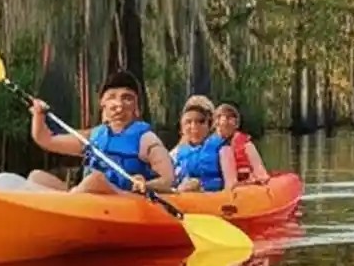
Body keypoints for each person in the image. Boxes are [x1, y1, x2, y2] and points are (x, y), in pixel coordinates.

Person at [26, 71, 175, 195]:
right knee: (36, 177)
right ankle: (67, 204)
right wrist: (38, 116)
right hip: (87, 197)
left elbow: (167, 180)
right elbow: (46, 140)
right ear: (103, 104)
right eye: (112, 97)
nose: (119, 105)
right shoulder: (93, 136)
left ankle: (70, 201)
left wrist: (146, 185)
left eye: (127, 98)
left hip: (125, 199)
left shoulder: (146, 139)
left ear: (136, 107)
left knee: (95, 180)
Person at [169, 102, 235, 192]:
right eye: (188, 122)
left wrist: (201, 186)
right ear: (181, 129)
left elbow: (231, 185)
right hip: (182, 196)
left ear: (209, 126)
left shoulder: (222, 148)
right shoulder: (176, 154)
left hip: (212, 196)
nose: (194, 126)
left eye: (200, 122)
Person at [214, 103, 270, 184]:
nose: (225, 122)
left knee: (226, 151)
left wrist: (257, 179)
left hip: (243, 183)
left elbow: (261, 174)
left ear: (236, 125)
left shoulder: (247, 145)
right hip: (217, 185)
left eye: (229, 119)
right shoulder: (209, 145)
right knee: (225, 151)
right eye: (220, 125)